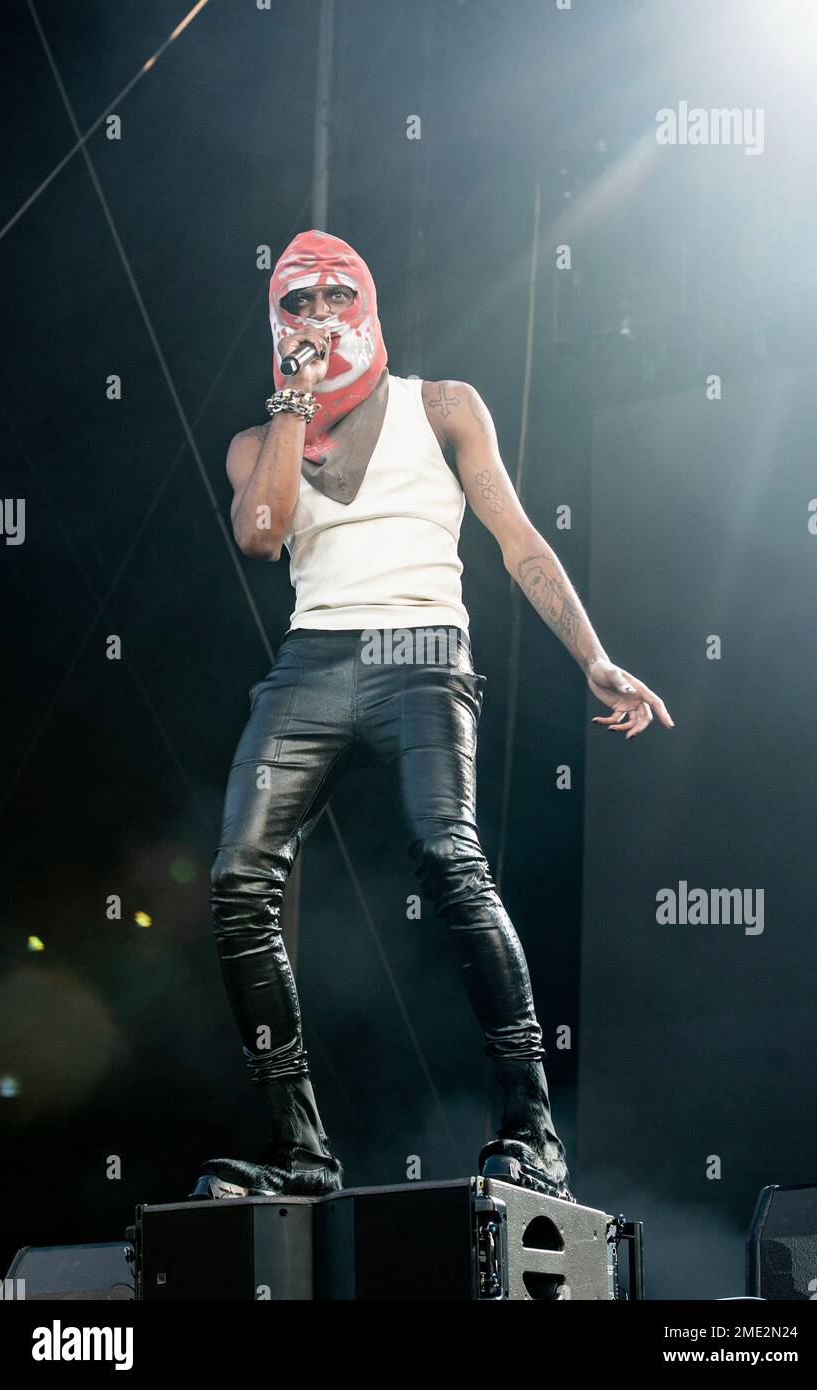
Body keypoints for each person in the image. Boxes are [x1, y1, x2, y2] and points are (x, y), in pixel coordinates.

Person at [190, 229, 673, 1204]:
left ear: (364, 301)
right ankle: (302, 1155)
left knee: (446, 855)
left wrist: (594, 655)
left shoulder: (441, 404)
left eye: (336, 295)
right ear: (277, 320)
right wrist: (291, 397)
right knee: (239, 876)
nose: (319, 315)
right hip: (312, 663)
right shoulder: (256, 438)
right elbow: (260, 532)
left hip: (418, 650)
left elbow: (514, 536)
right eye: (297, 302)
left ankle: (529, 1126)